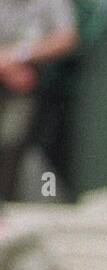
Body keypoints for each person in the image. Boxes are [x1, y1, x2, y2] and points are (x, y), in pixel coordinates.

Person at [0, 0, 78, 201]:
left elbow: (67, 38)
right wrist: (6, 66)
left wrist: (19, 56)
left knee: (19, 142)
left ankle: (18, 200)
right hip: (8, 74)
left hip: (37, 83)